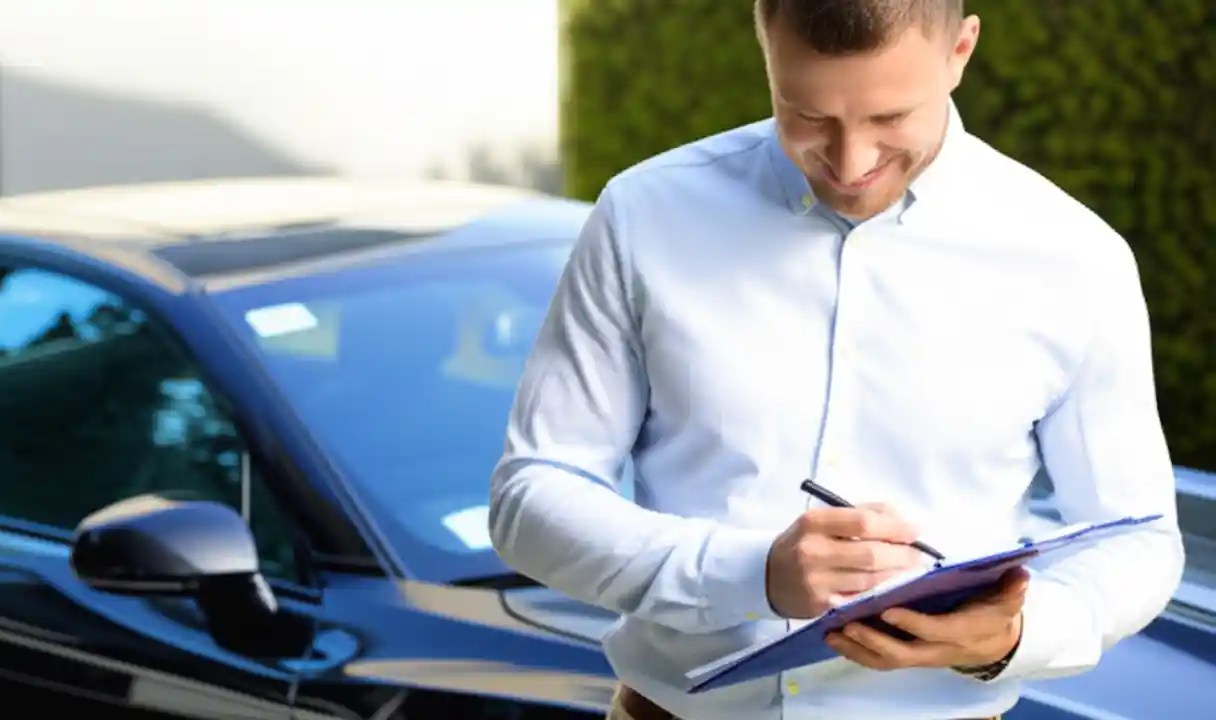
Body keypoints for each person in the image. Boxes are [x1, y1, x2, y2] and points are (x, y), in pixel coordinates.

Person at [488, 0, 1186, 718]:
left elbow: (1139, 538)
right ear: (766, 50)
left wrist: (1014, 635)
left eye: (890, 119)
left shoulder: (1074, 259)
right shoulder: (642, 217)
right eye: (808, 116)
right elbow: (532, 496)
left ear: (961, 51)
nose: (851, 164)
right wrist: (749, 574)